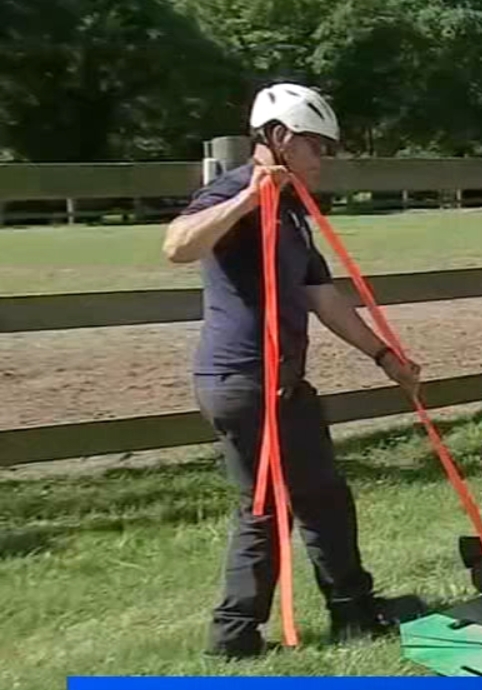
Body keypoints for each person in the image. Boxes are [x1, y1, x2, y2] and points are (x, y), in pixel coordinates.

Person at [161, 82, 422, 659]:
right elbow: (177, 246)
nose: (322, 159)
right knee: (266, 507)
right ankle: (235, 636)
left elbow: (323, 298)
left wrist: (384, 356)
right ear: (280, 139)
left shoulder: (296, 215)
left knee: (322, 496)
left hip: (282, 382)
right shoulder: (234, 194)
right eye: (315, 146)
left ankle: (351, 609)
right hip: (242, 380)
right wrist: (249, 199)